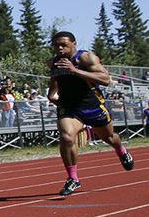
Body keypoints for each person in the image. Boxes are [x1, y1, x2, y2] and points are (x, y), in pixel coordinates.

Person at [47, 31, 134, 196]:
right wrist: (52, 94)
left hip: (92, 105)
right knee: (66, 136)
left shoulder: (86, 58)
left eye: (63, 45)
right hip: (69, 107)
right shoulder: (53, 62)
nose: (59, 48)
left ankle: (121, 150)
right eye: (56, 45)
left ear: (74, 43)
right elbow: (55, 79)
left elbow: (105, 79)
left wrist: (75, 70)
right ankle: (73, 178)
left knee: (109, 138)